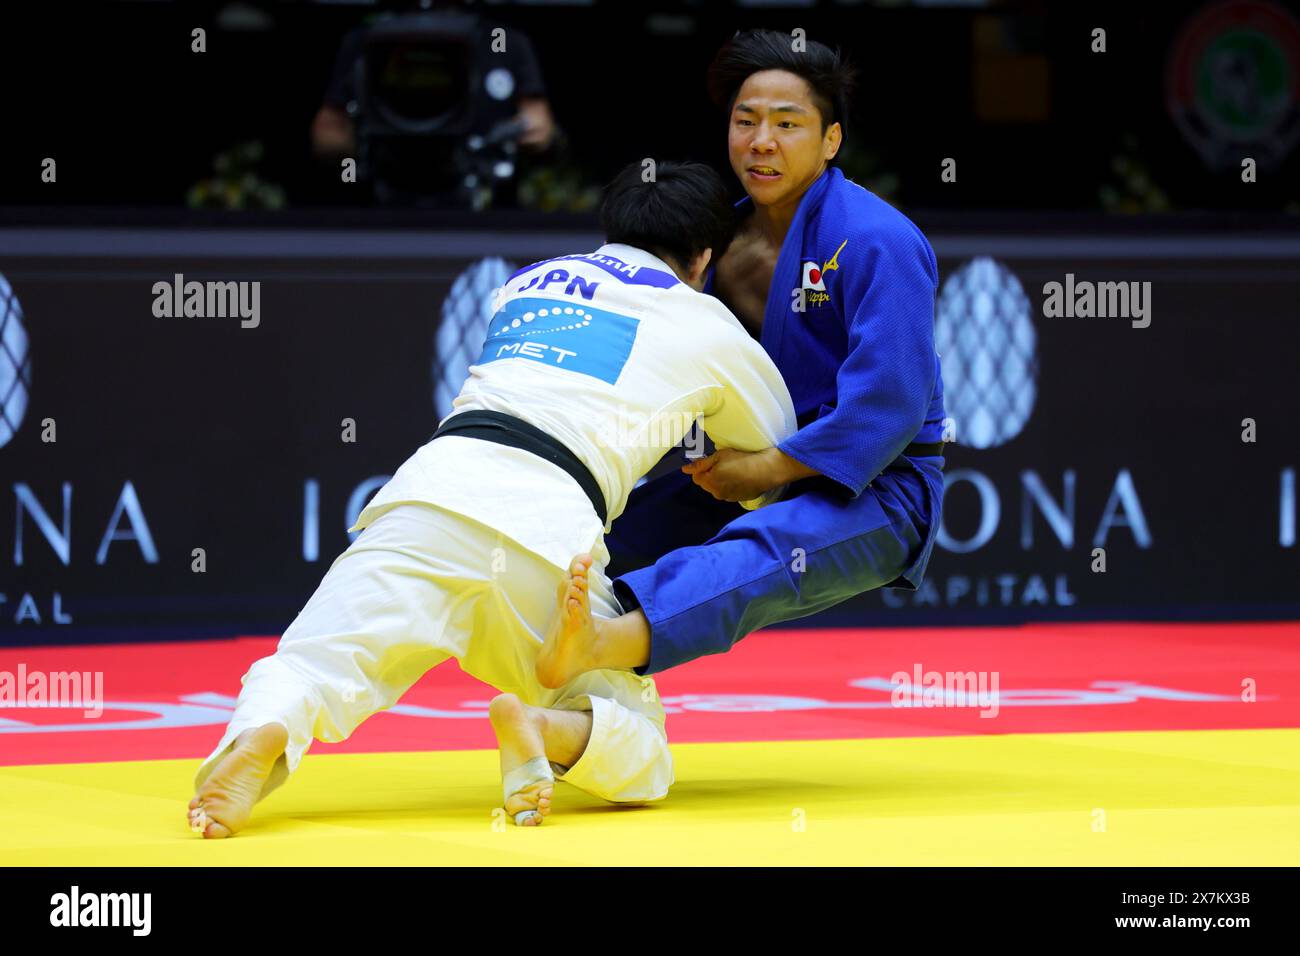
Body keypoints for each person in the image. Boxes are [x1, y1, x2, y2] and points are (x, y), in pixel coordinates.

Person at [187, 160, 797, 837]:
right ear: (705, 255)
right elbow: (780, 453)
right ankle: (542, 724)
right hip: (548, 529)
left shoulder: (524, 284)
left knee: (313, 659)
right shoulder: (704, 321)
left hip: (431, 492)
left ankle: (260, 734)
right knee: (646, 753)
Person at [535, 30, 947, 689]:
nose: (762, 142)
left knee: (754, 555)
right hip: (740, 471)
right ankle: (566, 732)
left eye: (788, 124)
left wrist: (766, 466)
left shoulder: (876, 240)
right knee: (597, 557)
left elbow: (890, 404)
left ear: (831, 139)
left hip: (877, 488)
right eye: (746, 121)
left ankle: (602, 645)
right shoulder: (706, 238)